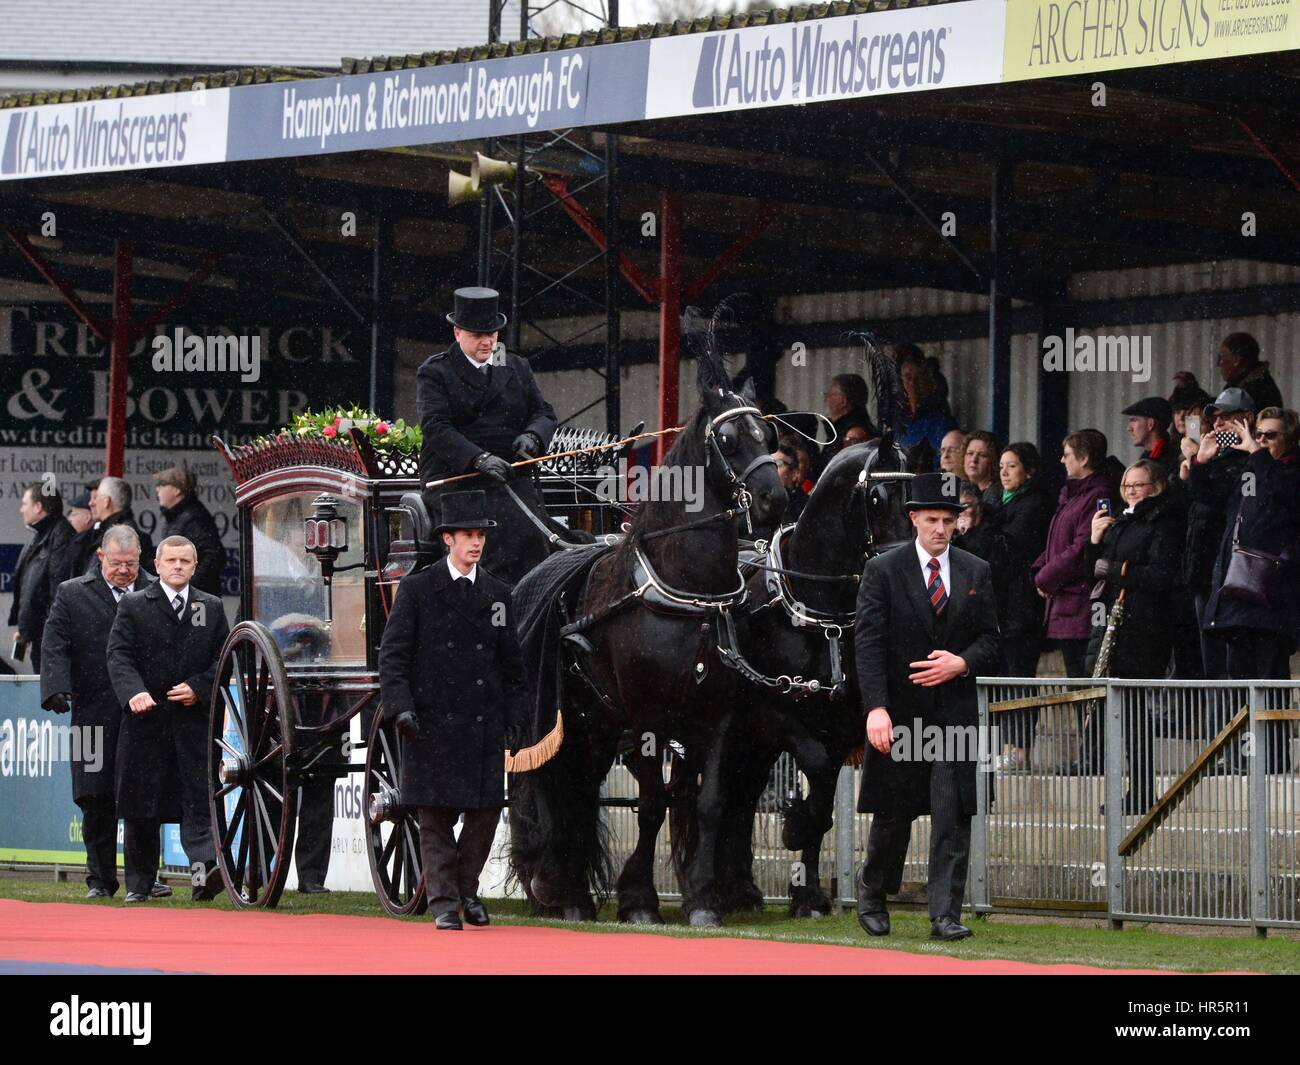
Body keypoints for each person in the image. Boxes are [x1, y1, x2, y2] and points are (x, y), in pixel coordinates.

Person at [854, 472, 1000, 943]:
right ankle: (873, 894)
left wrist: (962, 662)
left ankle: (945, 914)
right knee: (894, 813)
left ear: (959, 521)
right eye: (932, 519)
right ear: (913, 518)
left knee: (952, 813)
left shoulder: (977, 570)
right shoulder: (883, 569)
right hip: (900, 713)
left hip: (954, 715)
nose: (941, 528)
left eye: (949, 519)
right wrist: (876, 708)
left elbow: (994, 640)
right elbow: (868, 644)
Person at [378, 491, 530, 929]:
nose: (476, 543)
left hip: (482, 722)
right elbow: (394, 656)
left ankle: (466, 889)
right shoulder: (418, 589)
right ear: (448, 538)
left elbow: (511, 662)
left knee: (485, 815)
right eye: (467, 535)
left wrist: (517, 716)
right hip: (431, 721)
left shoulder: (498, 594)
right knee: (436, 816)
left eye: (480, 535)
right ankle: (445, 903)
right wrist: (400, 708)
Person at [40, 525, 169, 900]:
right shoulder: (71, 594)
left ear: (141, 559)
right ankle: (99, 879)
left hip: (143, 713)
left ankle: (145, 879)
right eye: (116, 564)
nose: (124, 571)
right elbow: (54, 644)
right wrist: (55, 688)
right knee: (93, 796)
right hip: (91, 714)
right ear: (101, 557)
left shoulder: (157, 593)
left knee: (143, 798)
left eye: (130, 564)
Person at [107, 535, 229, 902]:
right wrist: (134, 693)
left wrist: (199, 688)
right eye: (171, 560)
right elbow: (118, 656)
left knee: (199, 801)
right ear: (156, 565)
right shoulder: (133, 605)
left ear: (194, 567)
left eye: (185, 561)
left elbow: (223, 661)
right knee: (141, 805)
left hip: (194, 725)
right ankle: (140, 885)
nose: (177, 566)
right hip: (145, 723)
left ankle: (203, 877)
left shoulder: (211, 606)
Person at [416, 287, 558, 584]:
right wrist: (477, 458)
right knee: (492, 538)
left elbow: (543, 412)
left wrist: (533, 436)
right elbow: (436, 427)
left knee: (537, 537)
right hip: (457, 477)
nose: (487, 342)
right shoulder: (436, 372)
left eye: (492, 334)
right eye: (478, 335)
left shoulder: (516, 365)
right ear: (457, 333)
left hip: (509, 473)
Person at [1202, 406, 1300, 771]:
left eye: (1270, 435)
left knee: (1268, 676)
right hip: (1236, 589)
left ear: (1288, 438)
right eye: (1258, 434)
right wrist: (1200, 463)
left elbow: (1280, 496)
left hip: (1273, 593)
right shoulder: (1252, 468)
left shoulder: (1288, 471)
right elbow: (1208, 500)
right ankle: (1244, 757)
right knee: (1238, 677)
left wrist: (1257, 456)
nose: (1260, 441)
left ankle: (1271, 760)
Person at [1084, 459, 1184, 812]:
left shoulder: (1163, 520)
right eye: (1127, 485)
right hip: (1112, 625)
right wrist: (1094, 540)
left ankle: (1141, 789)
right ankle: (1125, 788)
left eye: (1138, 485)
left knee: (1135, 712)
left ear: (1155, 487)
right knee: (1117, 711)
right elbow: (1090, 572)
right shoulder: (1119, 523)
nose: (1131, 491)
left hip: (1145, 626)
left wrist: (1116, 571)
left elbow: (1162, 573)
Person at [1031, 430, 1117, 769]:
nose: (1062, 460)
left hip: (1083, 605)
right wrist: (1040, 569)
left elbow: (1081, 548)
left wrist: (1046, 577)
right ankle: (1090, 753)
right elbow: (1057, 544)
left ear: (1083, 458)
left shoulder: (1098, 495)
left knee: (1089, 683)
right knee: (1080, 683)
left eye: (1067, 454)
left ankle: (1095, 756)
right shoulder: (1071, 495)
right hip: (1065, 604)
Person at [987, 443, 1054, 767]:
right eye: (1001, 465)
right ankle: (1002, 746)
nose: (1004, 472)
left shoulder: (1034, 505)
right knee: (1000, 678)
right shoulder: (996, 501)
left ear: (1030, 471)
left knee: (1018, 677)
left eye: (1011, 466)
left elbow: (1005, 554)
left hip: (1021, 608)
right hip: (998, 609)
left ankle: (1020, 747)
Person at [1180, 388, 1253, 679]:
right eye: (1216, 418)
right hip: (1205, 567)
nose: (1218, 424)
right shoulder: (1218, 455)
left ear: (1247, 419)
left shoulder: (1250, 457)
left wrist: (1201, 464)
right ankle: (1219, 723)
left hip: (1235, 569)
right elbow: (1199, 500)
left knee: (1233, 662)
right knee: (1212, 662)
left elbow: (1213, 498)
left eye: (1226, 417)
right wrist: (1197, 462)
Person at [8, 482, 73, 672]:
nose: (21, 509)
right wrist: (26, 628)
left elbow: (57, 589)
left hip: (50, 636)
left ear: (38, 507)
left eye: (24, 504)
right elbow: (30, 588)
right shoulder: (40, 535)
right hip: (40, 634)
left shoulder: (60, 535)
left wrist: (50, 632)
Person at [154, 466, 225, 596]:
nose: (157, 489)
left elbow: (214, 555)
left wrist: (187, 587)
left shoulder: (194, 517)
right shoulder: (176, 516)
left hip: (196, 601)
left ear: (176, 490)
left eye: (162, 484)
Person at [894, 352, 956, 464]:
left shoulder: (941, 423)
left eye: (918, 378)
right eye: (908, 377)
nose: (912, 383)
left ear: (929, 384)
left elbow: (943, 467)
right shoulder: (898, 419)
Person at [87, 476, 155, 577]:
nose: (92, 503)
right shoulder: (110, 530)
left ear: (106, 501)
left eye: (96, 497)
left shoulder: (121, 534)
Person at [820, 373, 877, 469]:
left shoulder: (854, 434)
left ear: (843, 401)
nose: (826, 399)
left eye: (830, 395)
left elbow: (851, 474)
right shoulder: (839, 430)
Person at [1216, 331, 1283, 413]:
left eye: (1221, 357)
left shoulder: (1254, 391)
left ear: (1236, 360)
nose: (1219, 364)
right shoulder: (1258, 384)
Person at [1121, 397, 1178, 486]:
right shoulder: (1149, 457)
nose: (1129, 428)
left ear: (1150, 424)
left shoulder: (1171, 459)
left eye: (1134, 420)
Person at [963, 431, 1002, 510]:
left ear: (993, 461)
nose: (974, 460)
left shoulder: (995, 495)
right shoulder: (961, 488)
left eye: (982, 455)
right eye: (970, 453)